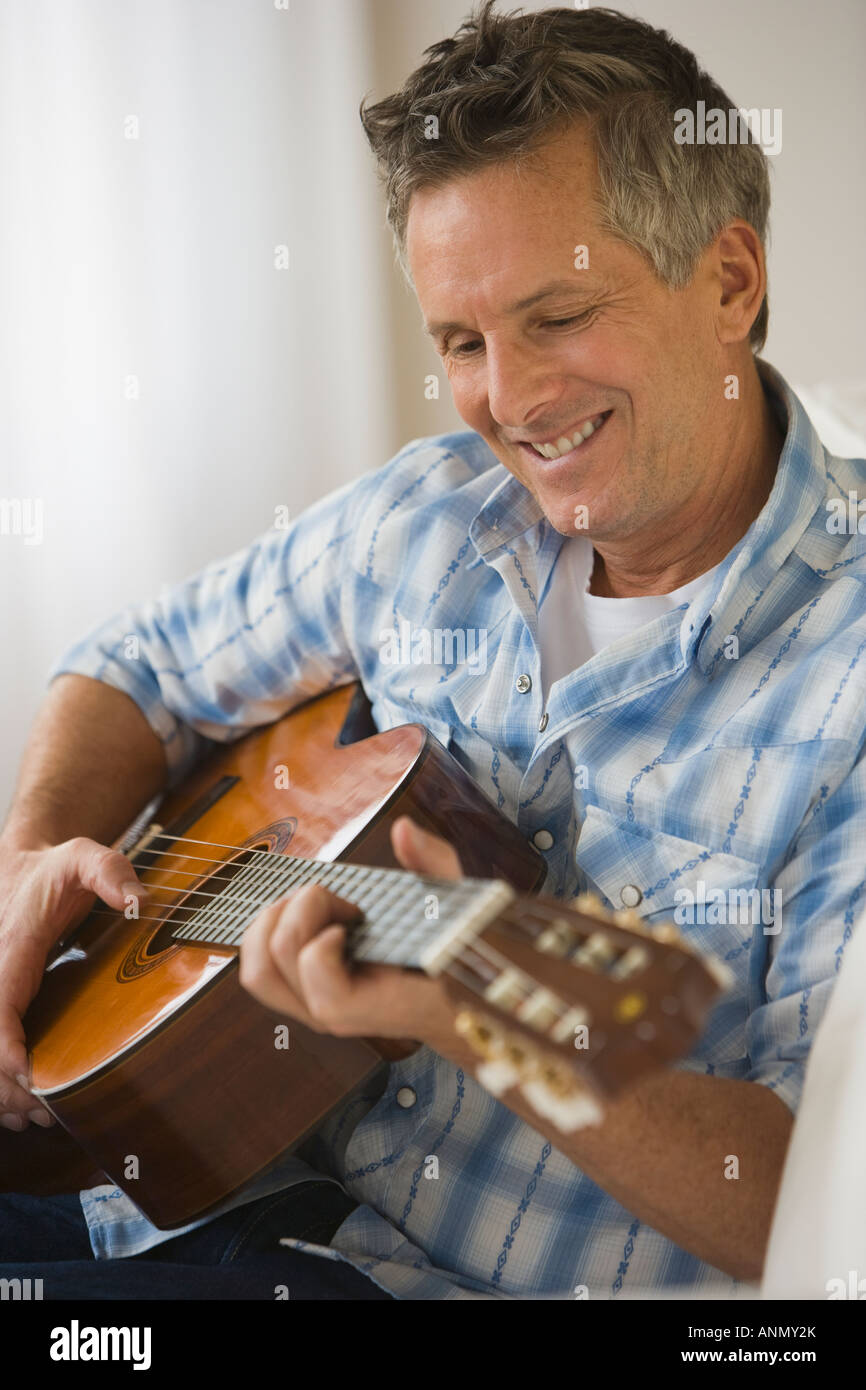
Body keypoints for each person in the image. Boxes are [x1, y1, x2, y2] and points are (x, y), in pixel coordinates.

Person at [1, 1, 863, 1300]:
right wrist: (28, 869)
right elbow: (132, 665)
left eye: (558, 314)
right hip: (199, 1174)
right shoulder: (429, 514)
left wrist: (476, 1009)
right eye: (461, 341)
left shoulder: (842, 681)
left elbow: (800, 1206)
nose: (508, 400)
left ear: (728, 280)